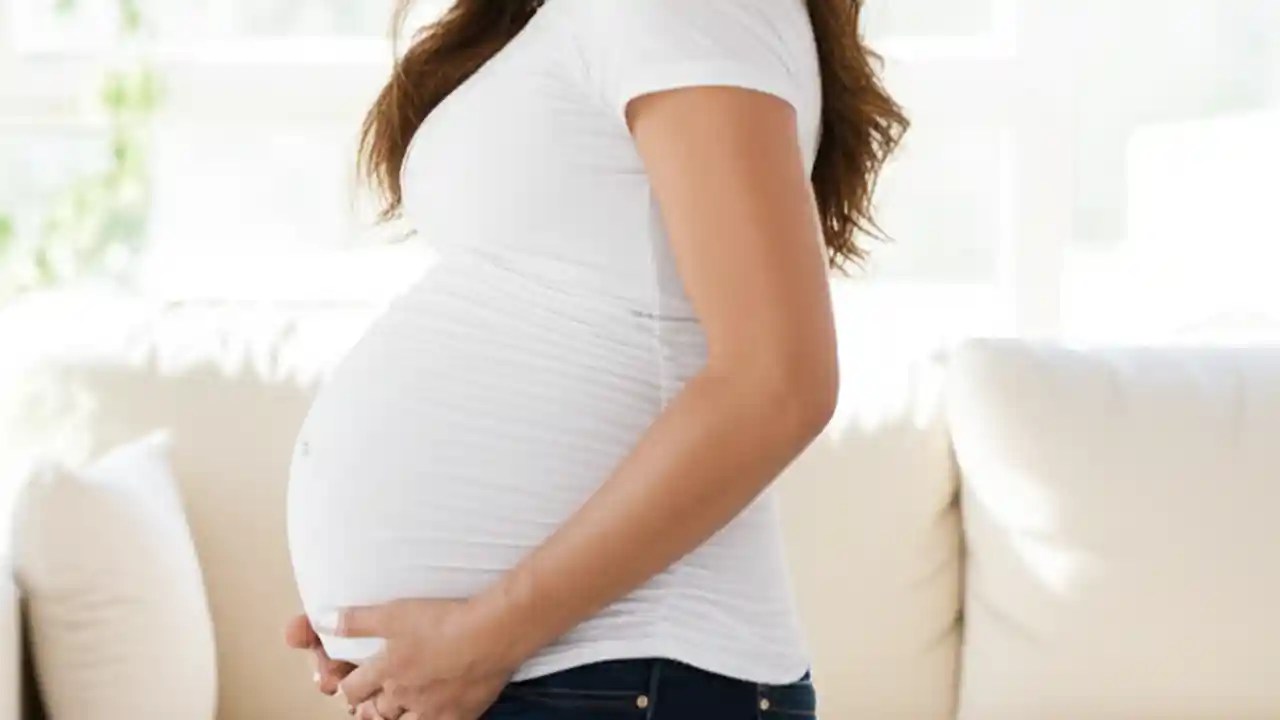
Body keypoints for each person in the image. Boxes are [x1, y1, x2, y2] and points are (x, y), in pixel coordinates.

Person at [283, 0, 905, 718]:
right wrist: (387, 637)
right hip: (562, 677)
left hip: (618, 673)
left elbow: (777, 385)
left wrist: (482, 635)